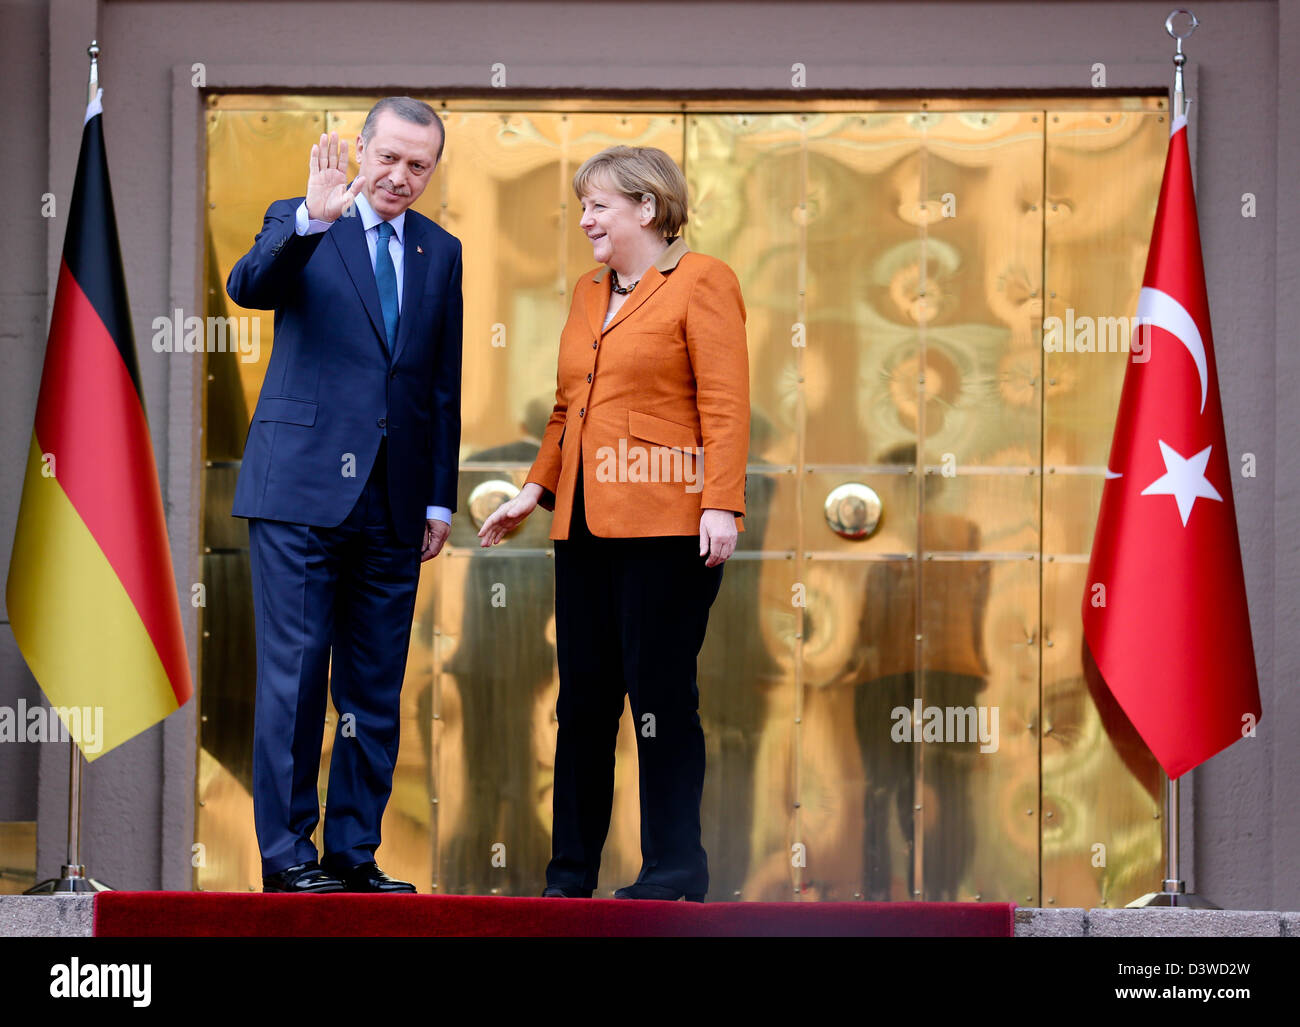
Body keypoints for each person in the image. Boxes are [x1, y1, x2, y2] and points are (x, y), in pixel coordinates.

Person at [479, 145, 749, 901]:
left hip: (669, 523)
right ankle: (569, 878)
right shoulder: (588, 289)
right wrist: (535, 489)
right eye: (583, 205)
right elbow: (572, 406)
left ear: (648, 208)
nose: (586, 220)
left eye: (598, 205)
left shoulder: (703, 281)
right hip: (585, 527)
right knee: (584, 702)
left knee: (661, 696)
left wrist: (720, 501)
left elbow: (726, 402)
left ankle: (673, 869)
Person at [227, 97, 462, 894]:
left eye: (418, 166)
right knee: (294, 674)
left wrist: (438, 499)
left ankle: (352, 853)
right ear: (360, 149)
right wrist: (311, 224)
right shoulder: (300, 219)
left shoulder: (441, 251)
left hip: (394, 504)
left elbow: (438, 386)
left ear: (432, 170)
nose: (400, 176)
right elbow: (249, 286)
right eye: (388, 157)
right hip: (298, 492)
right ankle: (289, 853)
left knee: (373, 684)